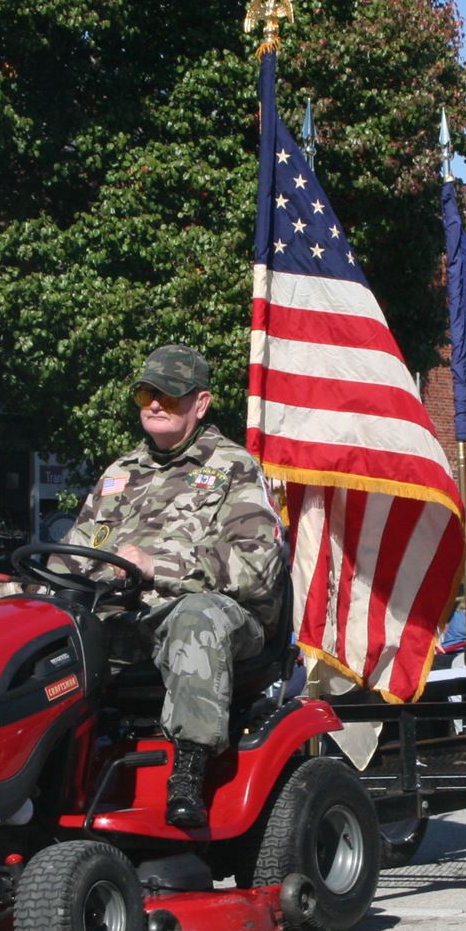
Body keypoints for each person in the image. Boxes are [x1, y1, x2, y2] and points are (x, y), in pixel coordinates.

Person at [62, 345, 284, 828]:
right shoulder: (120, 473)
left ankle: (188, 775)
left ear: (200, 403)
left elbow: (256, 565)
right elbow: (74, 553)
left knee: (195, 616)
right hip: (123, 619)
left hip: (220, 620)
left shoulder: (232, 467)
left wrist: (154, 565)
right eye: (146, 393)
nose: (156, 404)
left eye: (170, 395)